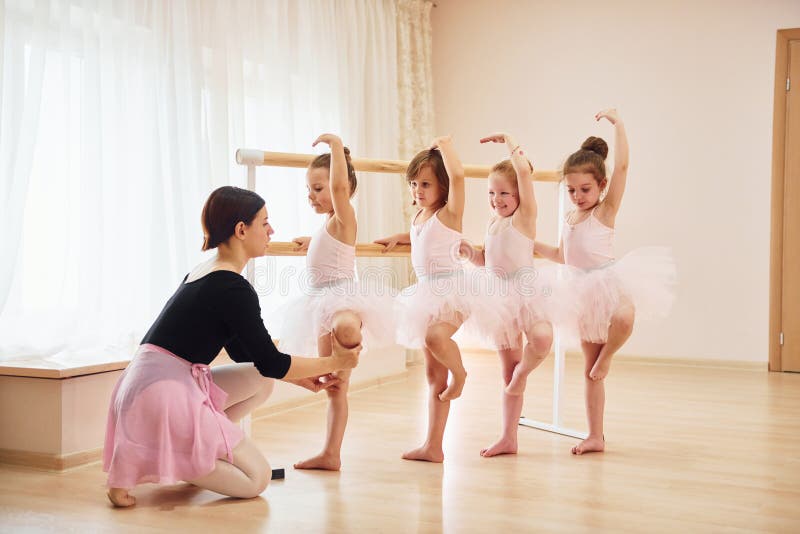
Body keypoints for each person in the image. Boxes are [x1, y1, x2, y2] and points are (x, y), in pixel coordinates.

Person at [103, 186, 361, 507]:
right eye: (265, 223)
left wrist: (300, 379)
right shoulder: (232, 287)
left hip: (144, 386)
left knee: (260, 382)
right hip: (162, 395)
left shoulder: (207, 272)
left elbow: (250, 357)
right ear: (241, 230)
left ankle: (191, 453)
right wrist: (337, 361)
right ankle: (185, 458)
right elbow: (272, 361)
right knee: (257, 480)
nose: (271, 231)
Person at [534, 109, 675, 454]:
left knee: (625, 318)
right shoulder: (570, 217)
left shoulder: (605, 210)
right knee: (589, 370)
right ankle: (595, 435)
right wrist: (533, 247)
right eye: (571, 190)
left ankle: (608, 355)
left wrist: (620, 126)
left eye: (585, 189)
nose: (578, 196)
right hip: (578, 290)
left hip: (608, 281)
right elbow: (565, 255)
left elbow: (624, 167)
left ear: (602, 185)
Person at [270, 134, 393, 471]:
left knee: (344, 323)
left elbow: (339, 190)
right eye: (308, 190)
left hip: (341, 297)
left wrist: (336, 147)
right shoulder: (328, 225)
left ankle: (351, 337)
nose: (312, 195)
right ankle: (331, 453)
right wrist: (312, 242)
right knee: (334, 387)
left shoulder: (344, 214)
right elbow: (329, 244)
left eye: (318, 188)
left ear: (343, 189)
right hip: (319, 303)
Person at [375, 135, 472, 463]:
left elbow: (459, 176)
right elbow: (420, 238)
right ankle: (433, 445)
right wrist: (398, 238)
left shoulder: (450, 213)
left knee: (436, 337)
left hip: (454, 292)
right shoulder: (419, 218)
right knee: (433, 373)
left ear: (443, 187)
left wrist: (445, 145)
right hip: (425, 294)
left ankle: (461, 373)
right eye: (414, 184)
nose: (418, 191)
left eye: (426, 184)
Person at [460, 132, 556, 457]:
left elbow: (525, 173)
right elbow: (486, 259)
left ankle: (523, 376)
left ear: (519, 195)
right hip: (498, 297)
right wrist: (469, 253)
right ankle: (508, 437)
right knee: (507, 367)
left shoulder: (523, 218)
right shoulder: (493, 222)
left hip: (526, 292)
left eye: (504, 193)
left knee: (541, 340)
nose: (496, 199)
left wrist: (509, 142)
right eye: (491, 192)